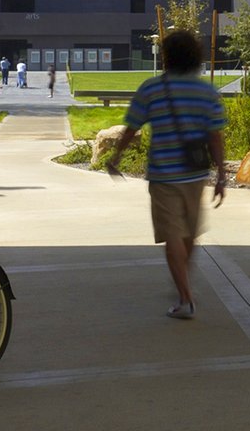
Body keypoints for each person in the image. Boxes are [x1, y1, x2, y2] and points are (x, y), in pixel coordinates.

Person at [105, 30, 227, 320]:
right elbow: (216, 137)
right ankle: (184, 283)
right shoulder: (206, 92)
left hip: (164, 175)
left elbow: (131, 128)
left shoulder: (151, 89)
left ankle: (185, 298)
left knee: (173, 234)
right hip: (196, 175)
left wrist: (116, 157)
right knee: (189, 234)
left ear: (167, 57)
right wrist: (222, 175)